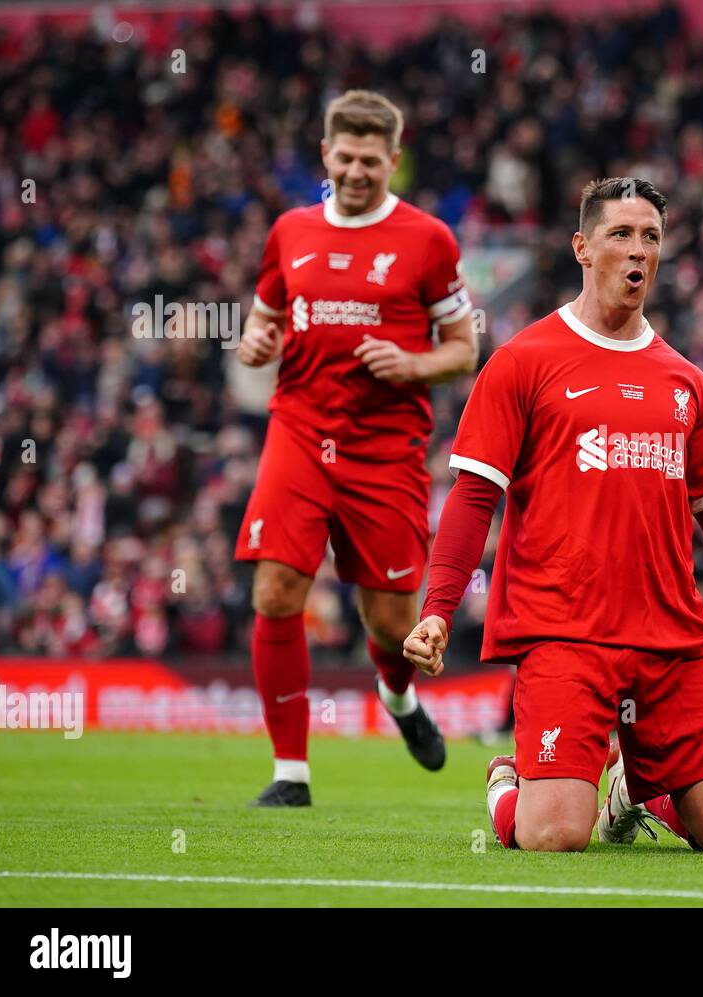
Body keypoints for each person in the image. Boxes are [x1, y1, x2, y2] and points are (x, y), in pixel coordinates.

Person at [404, 177, 703, 851]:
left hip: (669, 636)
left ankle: (628, 793)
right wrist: (439, 608)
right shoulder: (523, 361)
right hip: (563, 632)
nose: (637, 250)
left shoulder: (686, 381)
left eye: (651, 236)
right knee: (555, 836)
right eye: (621, 234)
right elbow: (474, 497)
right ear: (583, 248)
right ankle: (509, 785)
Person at [235, 90, 478, 806]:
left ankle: (400, 702)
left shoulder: (429, 239)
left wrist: (414, 364)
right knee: (276, 590)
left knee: (393, 624)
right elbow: (266, 316)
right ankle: (290, 774)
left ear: (392, 162)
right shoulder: (289, 231)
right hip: (300, 431)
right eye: (345, 157)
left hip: (386, 448)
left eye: (371, 160)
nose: (357, 171)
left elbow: (464, 348)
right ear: (326, 155)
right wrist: (255, 341)